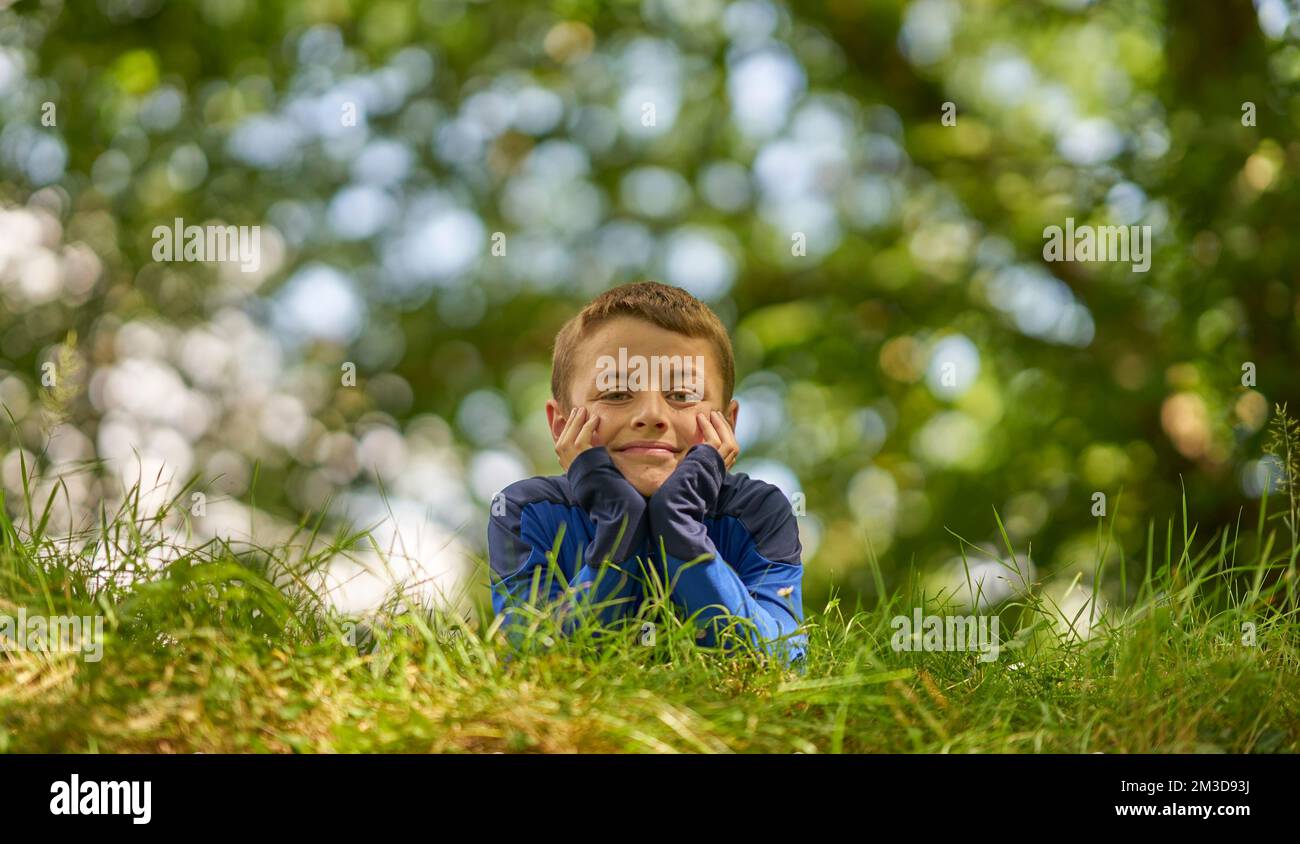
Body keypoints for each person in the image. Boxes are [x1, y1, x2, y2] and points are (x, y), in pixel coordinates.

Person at [487, 281, 807, 669]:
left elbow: (782, 663)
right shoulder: (526, 512)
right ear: (560, 425)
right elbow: (532, 662)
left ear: (727, 423)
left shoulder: (760, 512)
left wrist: (680, 526)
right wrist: (618, 525)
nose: (653, 415)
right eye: (617, 394)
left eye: (683, 395)